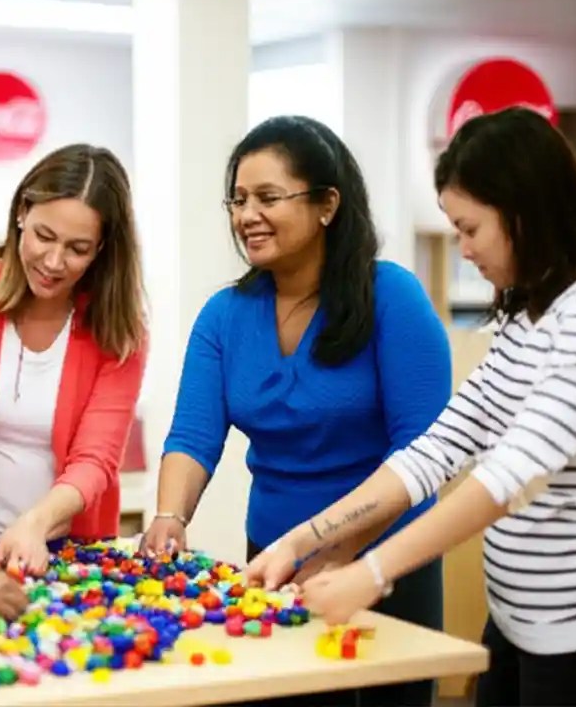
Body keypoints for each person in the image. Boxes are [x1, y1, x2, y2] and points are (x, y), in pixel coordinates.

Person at [248, 107, 576, 707]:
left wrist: (372, 572)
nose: (463, 249)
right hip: (516, 623)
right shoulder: (526, 317)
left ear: (523, 212)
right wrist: (301, 541)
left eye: (470, 228)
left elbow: (512, 474)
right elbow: (435, 451)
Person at [144, 115, 451, 706]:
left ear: (327, 204)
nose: (246, 215)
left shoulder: (391, 296)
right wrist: (169, 516)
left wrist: (341, 550)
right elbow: (193, 436)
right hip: (274, 562)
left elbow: (422, 452)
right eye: (238, 200)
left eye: (267, 197)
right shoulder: (224, 315)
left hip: (387, 562)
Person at [0, 143, 149, 575]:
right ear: (22, 212)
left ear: (101, 249)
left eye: (78, 248)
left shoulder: (119, 328)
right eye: (44, 236)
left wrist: (34, 526)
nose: (54, 261)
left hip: (72, 552)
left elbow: (95, 458)